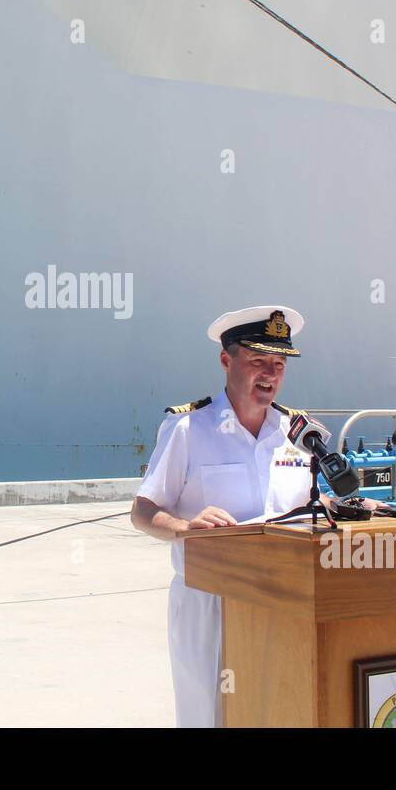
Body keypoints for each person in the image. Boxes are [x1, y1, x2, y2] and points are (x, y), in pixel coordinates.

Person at [130, 306, 317, 727]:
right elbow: (143, 511)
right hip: (208, 601)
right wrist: (184, 528)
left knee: (280, 705)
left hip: (284, 598)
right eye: (258, 361)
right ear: (226, 360)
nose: (270, 372)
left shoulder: (298, 434)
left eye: (279, 363)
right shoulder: (188, 429)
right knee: (207, 714)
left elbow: (319, 507)